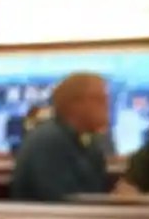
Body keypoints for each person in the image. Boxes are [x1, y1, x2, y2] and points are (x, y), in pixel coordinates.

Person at [10, 72, 111, 202]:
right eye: (100, 99)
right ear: (75, 104)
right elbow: (62, 203)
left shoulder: (88, 143)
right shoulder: (47, 143)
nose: (106, 106)